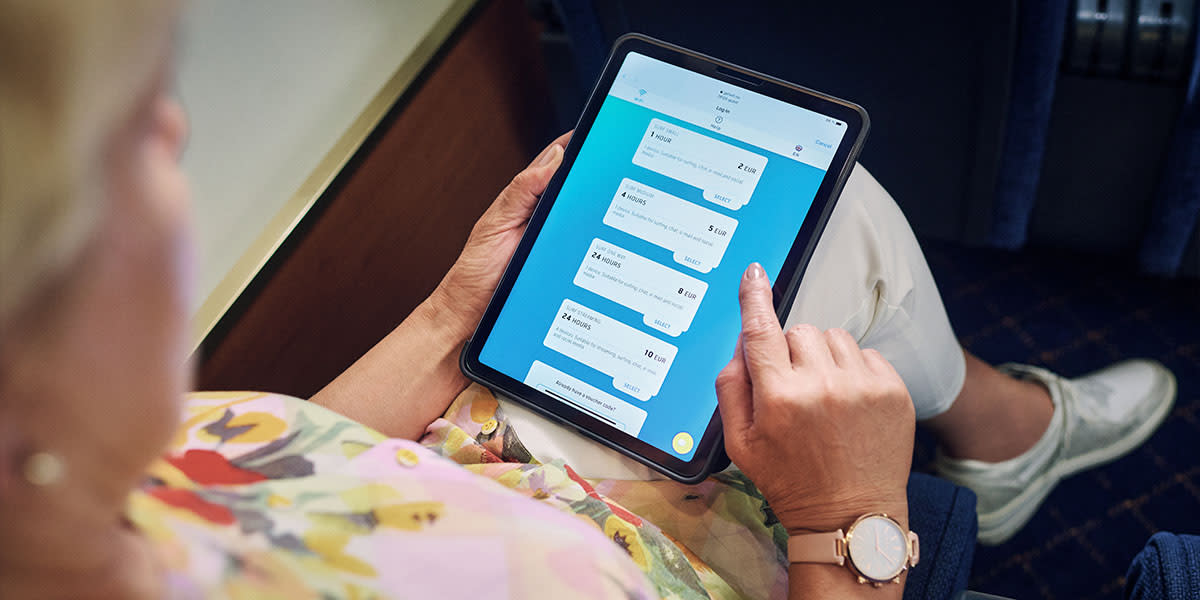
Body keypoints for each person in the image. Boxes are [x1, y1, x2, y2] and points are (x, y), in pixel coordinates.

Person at [0, 2, 1176, 598]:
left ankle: (994, 425)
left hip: (490, 451)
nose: (177, 129)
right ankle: (1004, 431)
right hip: (718, 549)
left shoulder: (84, 482)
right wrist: (853, 518)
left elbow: (290, 461)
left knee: (825, 204)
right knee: (821, 237)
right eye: (124, 138)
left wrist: (450, 313)